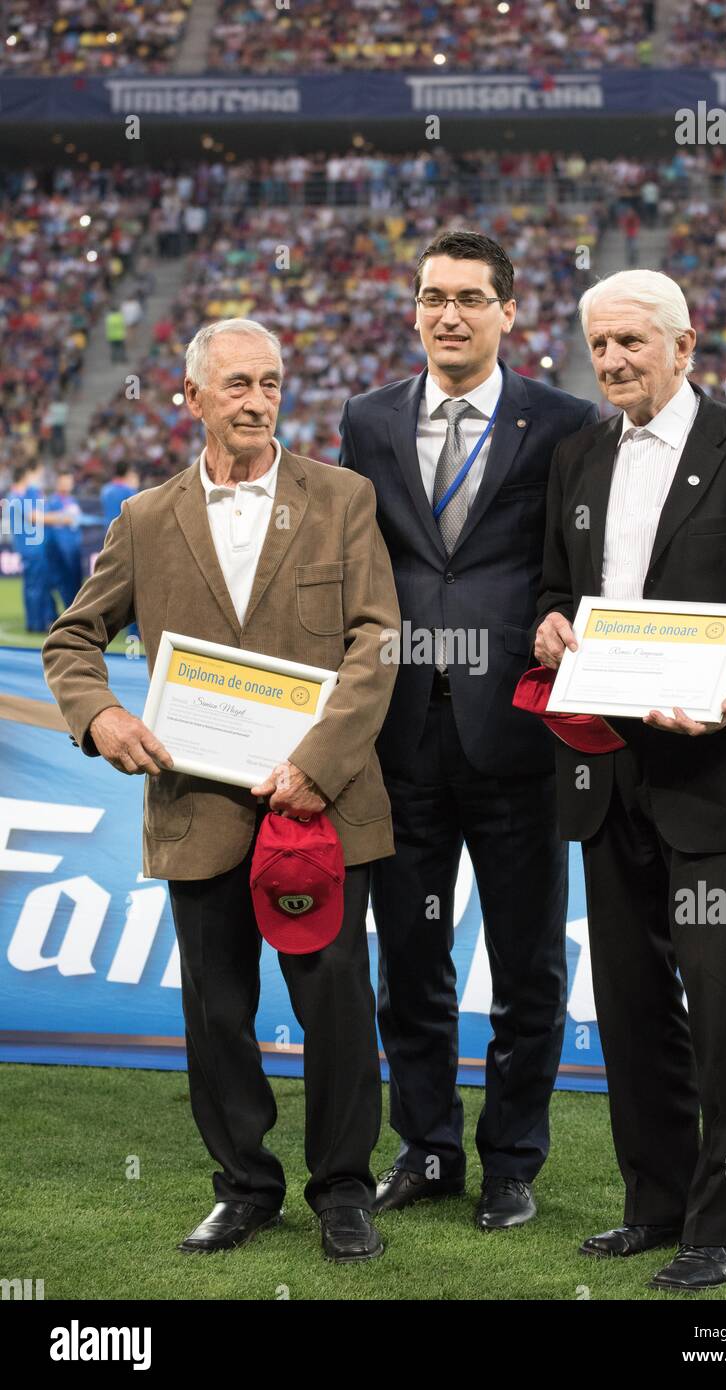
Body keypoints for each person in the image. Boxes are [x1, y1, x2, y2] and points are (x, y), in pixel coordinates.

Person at [43, 318, 401, 1264]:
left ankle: (344, 1190)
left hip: (319, 805)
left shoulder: (342, 498)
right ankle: (244, 1185)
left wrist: (316, 766)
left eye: (271, 384)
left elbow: (377, 643)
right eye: (236, 384)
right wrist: (98, 718)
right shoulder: (144, 518)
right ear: (190, 397)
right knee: (216, 1012)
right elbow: (72, 641)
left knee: (334, 1006)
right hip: (197, 811)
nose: (256, 401)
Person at [532, 269, 726, 1290]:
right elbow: (560, 594)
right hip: (607, 777)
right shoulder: (574, 457)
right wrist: (551, 623)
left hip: (720, 774)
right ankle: (652, 1205)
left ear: (684, 343)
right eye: (597, 345)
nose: (611, 362)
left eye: (630, 344)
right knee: (632, 1003)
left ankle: (723, 1224)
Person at [339, 230, 597, 1230]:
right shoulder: (365, 421)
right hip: (397, 735)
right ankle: (430, 1147)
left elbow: (579, 558)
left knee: (530, 962)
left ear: (507, 313)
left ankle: (514, 1161)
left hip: (519, 737)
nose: (452, 313)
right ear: (414, 309)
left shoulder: (564, 421)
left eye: (472, 297)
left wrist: (563, 612)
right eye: (435, 296)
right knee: (410, 957)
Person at [9, 461, 57, 631]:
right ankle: (37, 624)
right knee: (36, 586)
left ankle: (35, 622)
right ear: (27, 475)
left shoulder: (17, 495)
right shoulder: (19, 496)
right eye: (36, 474)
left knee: (33, 585)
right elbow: (34, 517)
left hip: (29, 548)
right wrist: (63, 518)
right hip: (32, 548)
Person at [45, 468, 83, 609]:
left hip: (73, 548)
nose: (67, 484)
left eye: (69, 482)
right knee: (59, 584)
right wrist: (63, 517)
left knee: (75, 586)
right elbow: (44, 519)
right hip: (60, 550)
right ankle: (52, 615)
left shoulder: (72, 501)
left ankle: (73, 615)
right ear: (58, 483)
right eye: (64, 482)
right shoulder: (52, 502)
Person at [100, 463, 139, 528]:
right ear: (127, 472)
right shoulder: (129, 491)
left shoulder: (105, 489)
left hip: (108, 528)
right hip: (123, 529)